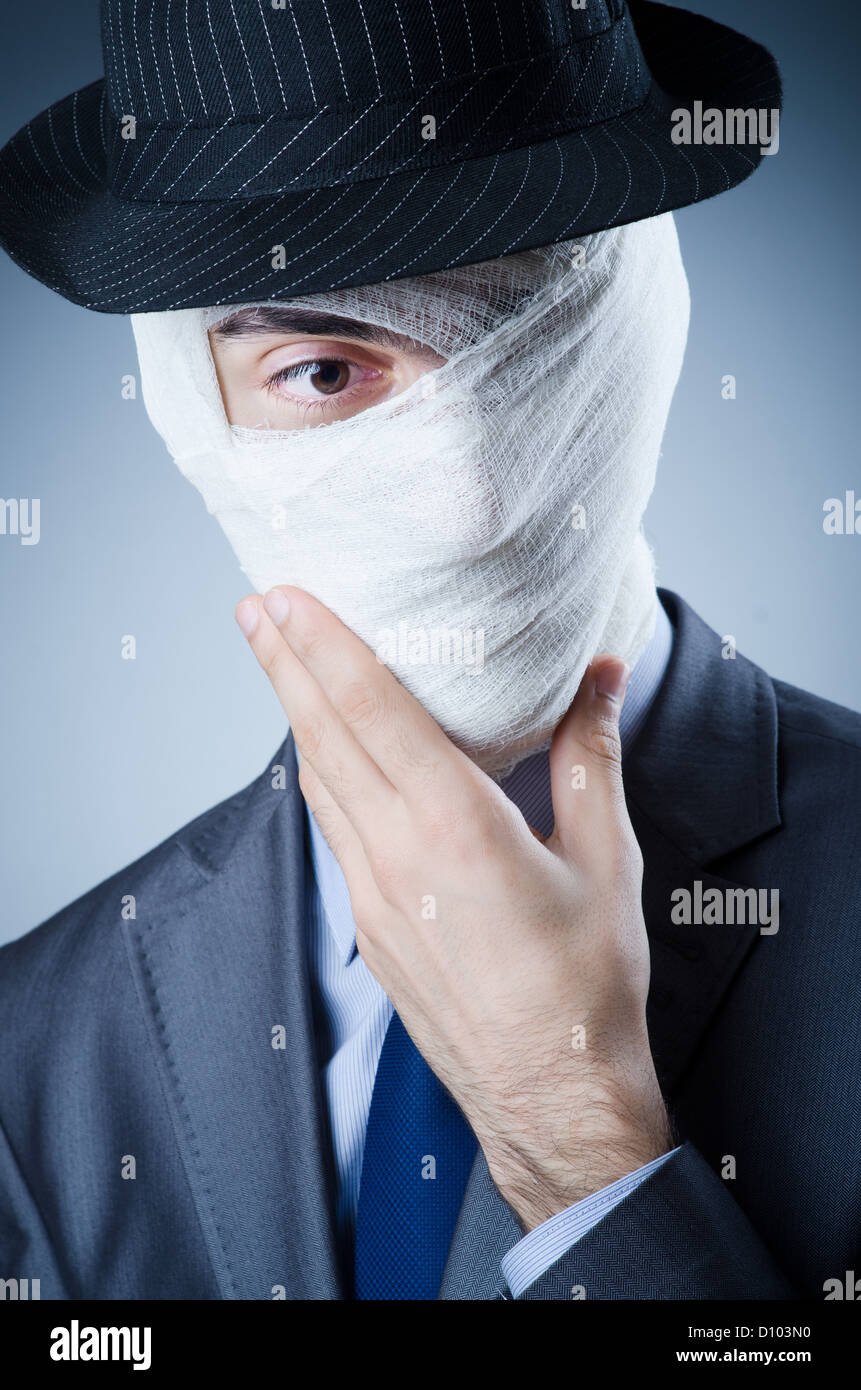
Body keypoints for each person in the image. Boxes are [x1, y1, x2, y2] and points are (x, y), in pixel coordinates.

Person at [0, 1, 857, 1303]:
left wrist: (582, 1141)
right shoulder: (41, 1045)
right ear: (189, 402)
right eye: (324, 371)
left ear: (644, 306)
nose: (467, 501)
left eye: (522, 336)